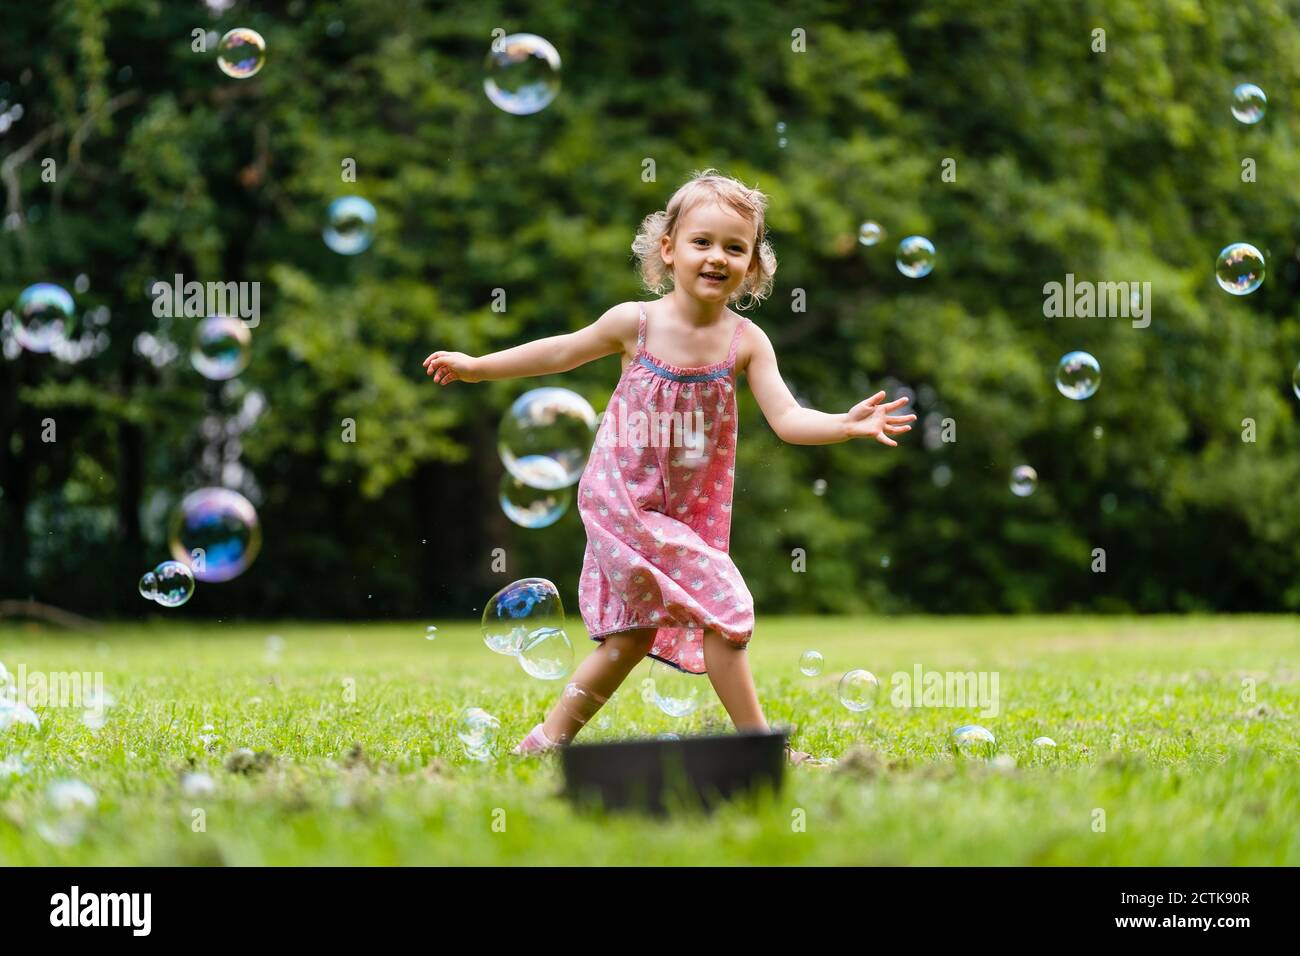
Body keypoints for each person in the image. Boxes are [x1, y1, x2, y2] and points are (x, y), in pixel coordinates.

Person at [423, 169, 915, 765]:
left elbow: (787, 419)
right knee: (728, 607)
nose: (717, 257)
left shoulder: (747, 342)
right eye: (701, 241)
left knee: (631, 635)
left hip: (685, 511)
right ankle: (760, 748)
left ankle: (543, 745)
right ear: (668, 249)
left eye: (736, 247)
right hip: (621, 499)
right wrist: (478, 366)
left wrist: (844, 423)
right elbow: (558, 351)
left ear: (753, 266)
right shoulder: (636, 323)